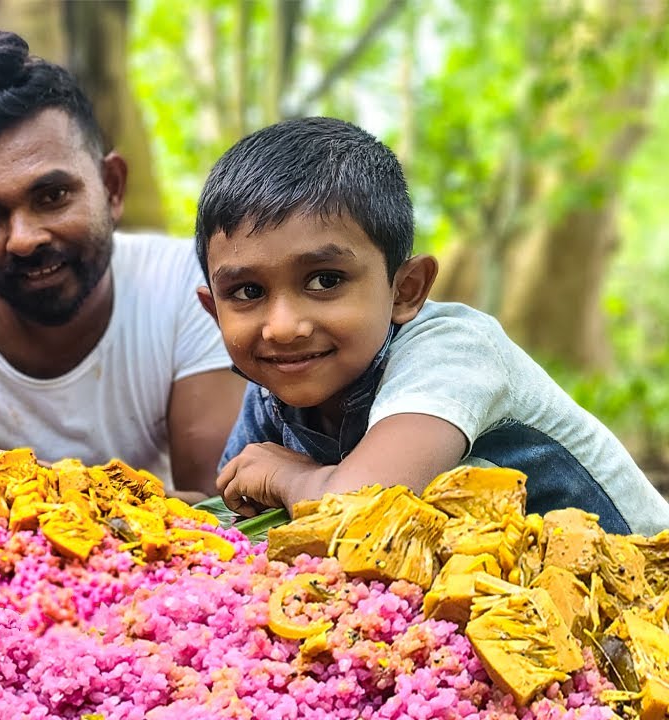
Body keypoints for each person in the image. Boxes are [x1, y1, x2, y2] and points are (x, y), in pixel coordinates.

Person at [200, 116, 669, 535]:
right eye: (247, 292)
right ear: (213, 310)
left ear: (406, 290)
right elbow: (236, 520)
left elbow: (363, 510)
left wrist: (290, 478)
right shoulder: (274, 388)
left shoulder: (454, 351)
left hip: (639, 601)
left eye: (325, 280)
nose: (282, 328)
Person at [0, 30, 245, 500]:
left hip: (131, 562)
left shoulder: (182, 287)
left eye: (52, 197)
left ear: (112, 187)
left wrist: (56, 492)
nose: (24, 240)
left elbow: (219, 510)